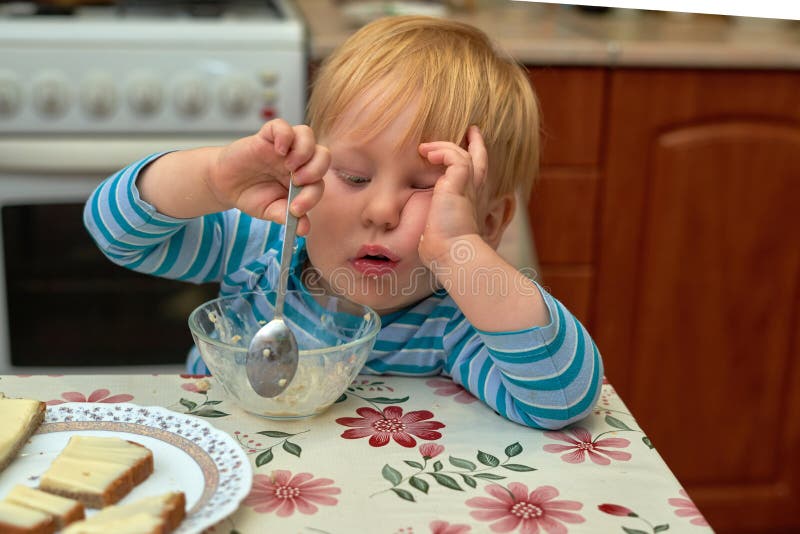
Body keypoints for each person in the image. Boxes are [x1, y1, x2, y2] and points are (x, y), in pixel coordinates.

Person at [84, 15, 602, 430]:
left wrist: (459, 251)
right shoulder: (263, 243)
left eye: (427, 186)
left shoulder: (453, 324)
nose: (381, 210)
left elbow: (562, 398)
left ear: (487, 221)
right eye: (354, 176)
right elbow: (116, 234)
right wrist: (212, 178)